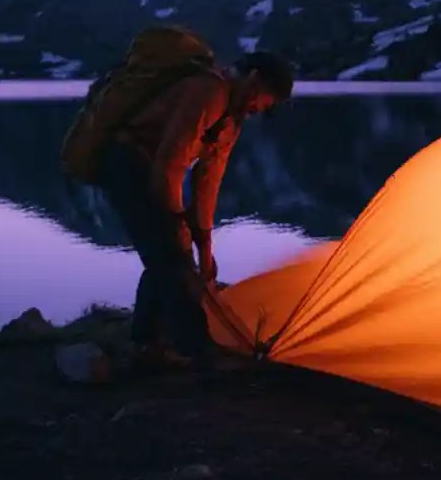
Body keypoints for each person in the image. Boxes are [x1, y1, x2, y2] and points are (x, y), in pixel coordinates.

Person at [96, 50, 294, 373]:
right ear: (253, 79)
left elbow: (207, 183)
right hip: (126, 161)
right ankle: (198, 352)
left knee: (167, 255)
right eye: (264, 100)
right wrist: (177, 223)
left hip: (152, 165)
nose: (260, 110)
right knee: (171, 254)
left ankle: (146, 342)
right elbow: (169, 164)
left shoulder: (232, 120)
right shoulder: (209, 93)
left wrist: (204, 246)